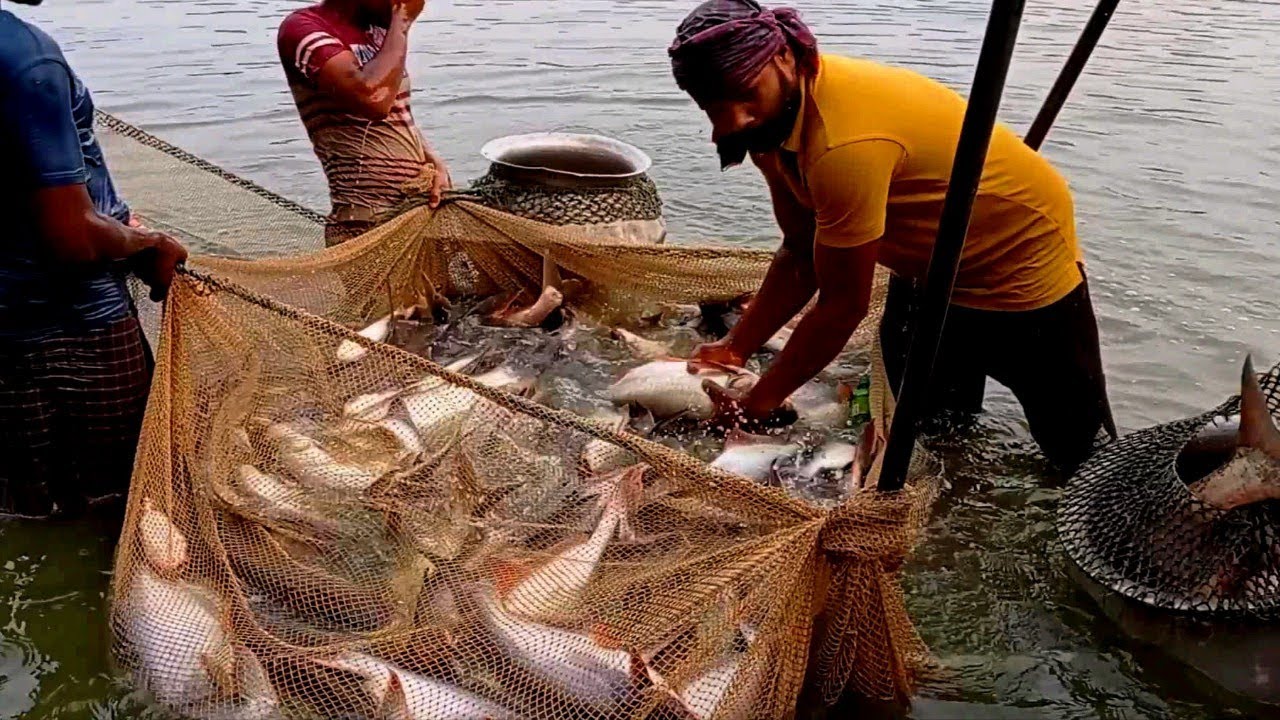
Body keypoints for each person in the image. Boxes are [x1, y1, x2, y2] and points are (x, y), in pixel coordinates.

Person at [669, 0, 1116, 472]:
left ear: (784, 59)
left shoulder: (843, 146)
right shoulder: (771, 124)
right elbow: (801, 252)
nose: (729, 123)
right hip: (927, 267)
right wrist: (737, 346)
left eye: (743, 95)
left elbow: (843, 307)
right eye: (711, 107)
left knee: (1080, 459)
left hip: (1019, 273)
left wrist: (757, 404)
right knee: (931, 435)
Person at [0, 0, 188, 518]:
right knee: (136, 506)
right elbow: (73, 237)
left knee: (32, 507)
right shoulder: (26, 59)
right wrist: (145, 245)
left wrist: (109, 221)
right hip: (77, 329)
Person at [277, 0, 453, 246]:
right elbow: (373, 99)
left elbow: (397, 110)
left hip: (417, 208)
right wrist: (401, 22)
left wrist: (432, 161)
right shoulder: (304, 29)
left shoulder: (381, 32)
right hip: (365, 221)